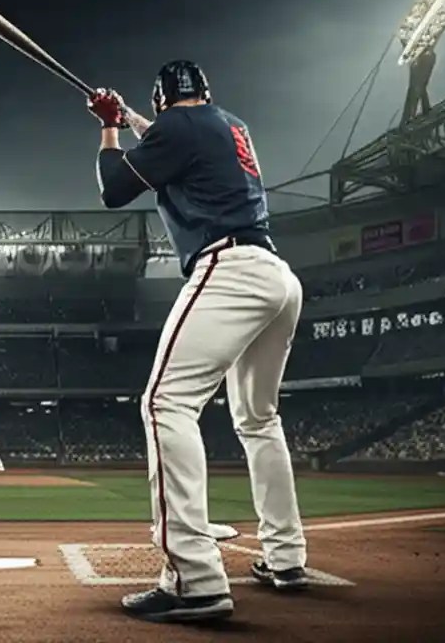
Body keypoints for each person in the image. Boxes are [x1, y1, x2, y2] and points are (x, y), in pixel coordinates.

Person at [86, 61, 308, 624]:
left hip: (227, 267)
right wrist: (132, 118)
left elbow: (114, 189)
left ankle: (195, 579)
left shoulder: (176, 130)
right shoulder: (227, 124)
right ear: (204, 93)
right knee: (259, 420)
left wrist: (109, 128)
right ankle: (286, 557)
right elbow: (167, 137)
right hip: (278, 278)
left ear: (162, 102)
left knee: (164, 403)